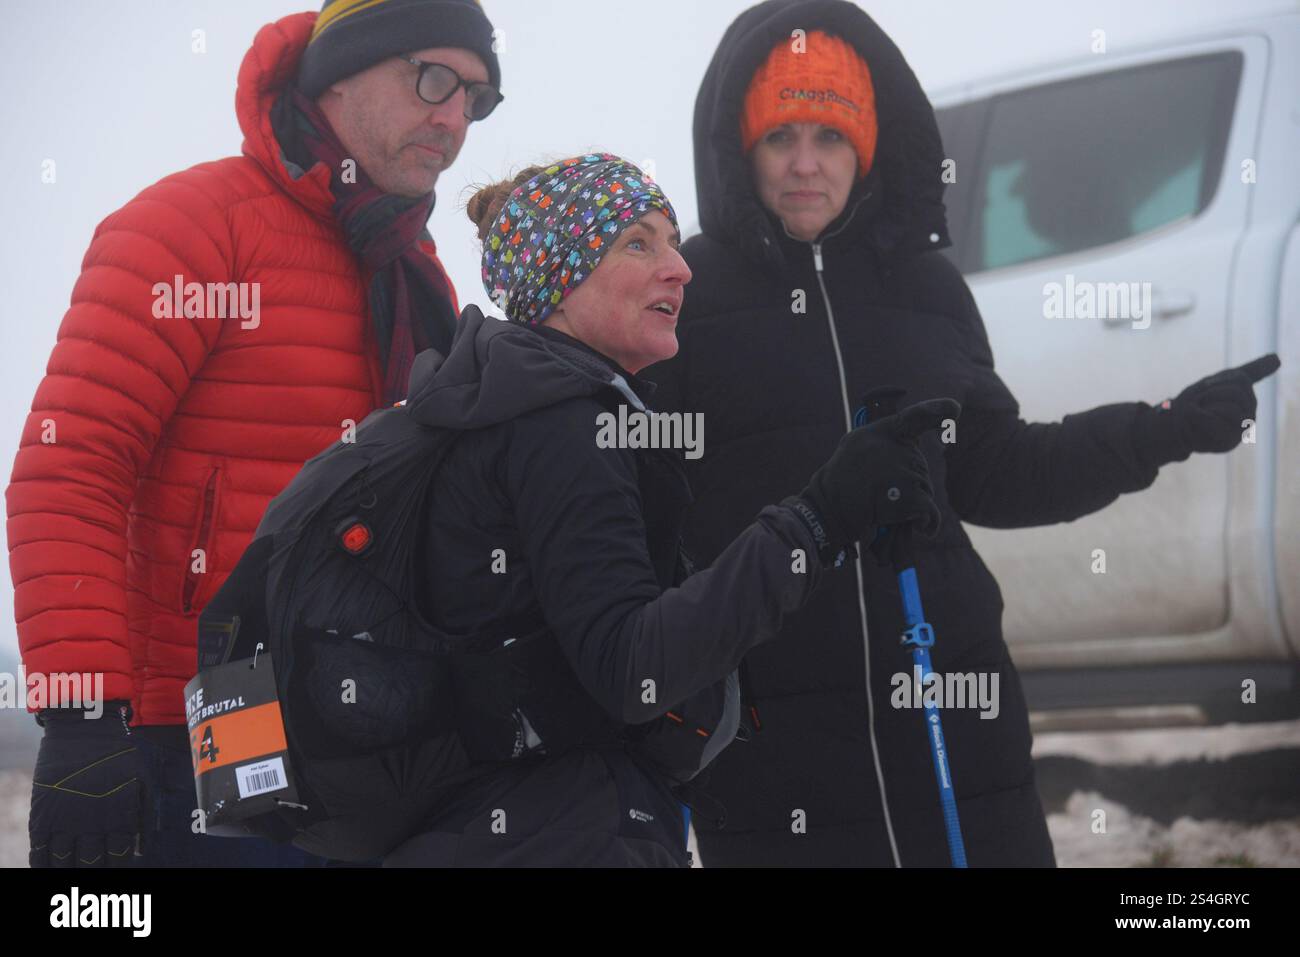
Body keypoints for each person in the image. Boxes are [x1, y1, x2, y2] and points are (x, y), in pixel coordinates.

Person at [644, 0, 1280, 867]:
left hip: (954, 709)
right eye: (778, 136)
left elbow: (995, 472)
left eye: (829, 137)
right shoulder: (689, 298)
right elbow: (642, 514)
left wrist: (1158, 431)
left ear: (865, 146)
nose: (803, 164)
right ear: (738, 146)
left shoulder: (930, 287)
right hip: (775, 742)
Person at [8, 0, 503, 868]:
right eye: (433, 80)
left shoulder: (414, 275)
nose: (455, 117)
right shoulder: (194, 225)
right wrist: (84, 718)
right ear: (340, 75)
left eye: (476, 96)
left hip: (366, 736)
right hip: (184, 726)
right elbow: (70, 466)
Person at [375, 152, 956, 866]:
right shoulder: (557, 422)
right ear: (560, 277)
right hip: (558, 839)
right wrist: (819, 518)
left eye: (675, 244)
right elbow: (633, 668)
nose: (679, 270)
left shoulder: (515, 405)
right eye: (638, 243)